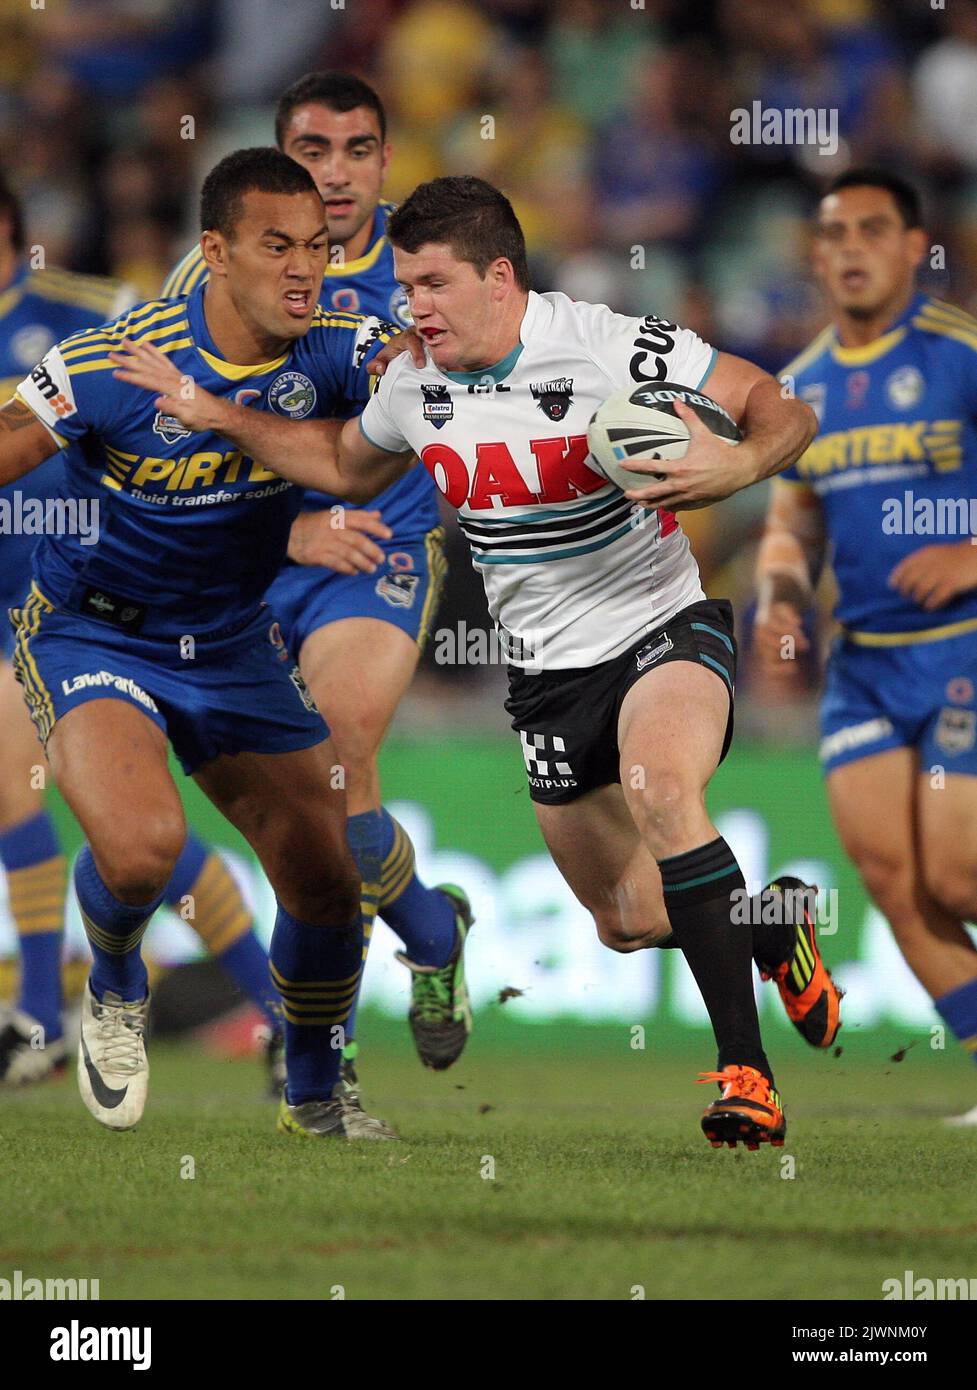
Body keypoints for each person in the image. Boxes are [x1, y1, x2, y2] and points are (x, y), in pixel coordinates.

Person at [114, 176, 842, 1151]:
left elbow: (778, 404)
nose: (409, 306)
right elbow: (338, 463)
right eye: (403, 285)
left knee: (664, 790)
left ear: (498, 278)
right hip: (547, 677)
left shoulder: (602, 343)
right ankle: (769, 920)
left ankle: (745, 1077)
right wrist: (217, 413)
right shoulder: (414, 385)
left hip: (660, 625)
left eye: (429, 283)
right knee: (625, 919)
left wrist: (734, 464)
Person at [1, 146, 421, 1140]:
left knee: (324, 881)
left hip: (232, 641)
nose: (303, 269)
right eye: (276, 246)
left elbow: (378, 423)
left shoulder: (334, 349)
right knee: (142, 851)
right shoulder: (113, 361)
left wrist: (418, 363)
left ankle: (314, 1089)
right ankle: (108, 986)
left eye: (317, 248)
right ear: (214, 252)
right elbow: (11, 443)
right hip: (89, 630)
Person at [163, 73, 472, 1087]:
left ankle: (314, 1051)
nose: (331, 173)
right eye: (310, 149)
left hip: (377, 547)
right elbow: (167, 425)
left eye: (353, 150)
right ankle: (431, 931)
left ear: (385, 161)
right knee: (306, 821)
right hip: (255, 556)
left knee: (332, 765)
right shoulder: (200, 277)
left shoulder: (429, 268)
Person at [0, 170, 282, 1089]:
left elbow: (185, 364)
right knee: (126, 835)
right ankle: (264, 1004)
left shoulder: (93, 309)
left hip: (86, 590)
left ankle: (43, 1013)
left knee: (59, 807)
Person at [755, 169, 977, 1125]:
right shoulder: (798, 387)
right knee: (890, 877)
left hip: (963, 644)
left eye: (872, 229)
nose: (848, 247)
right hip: (865, 664)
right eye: (833, 231)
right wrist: (779, 599)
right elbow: (791, 521)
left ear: (911, 246)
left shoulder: (960, 355)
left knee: (958, 873)